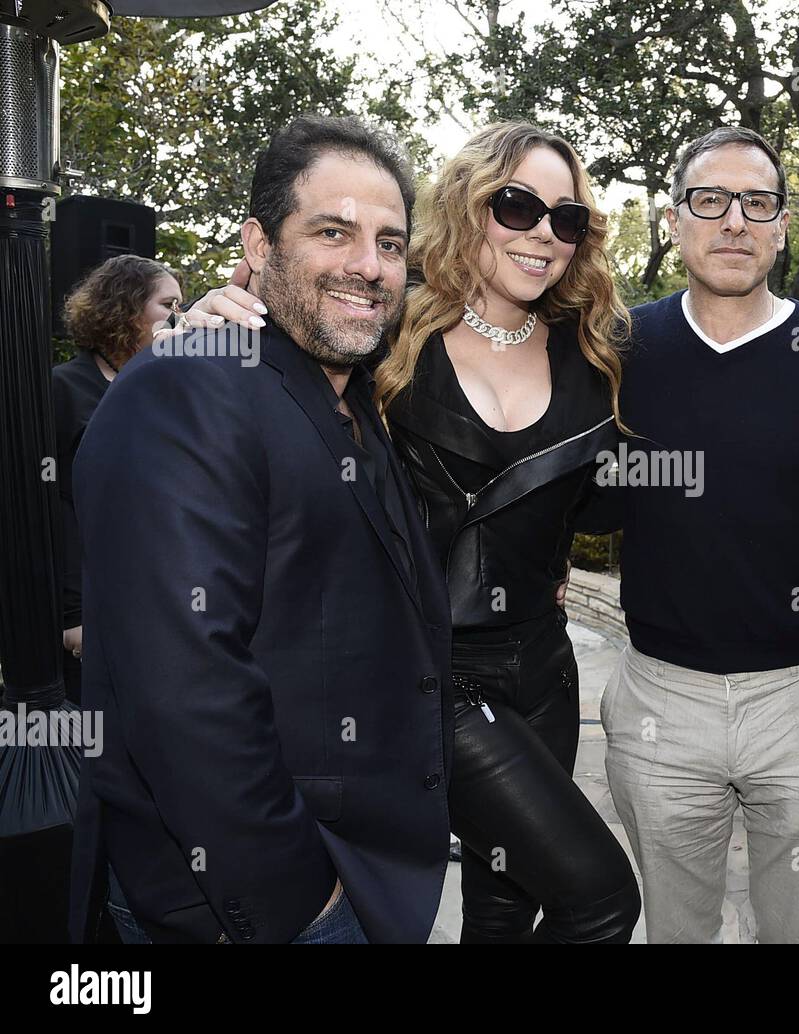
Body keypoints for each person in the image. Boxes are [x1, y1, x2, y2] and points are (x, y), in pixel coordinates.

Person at [191, 121, 642, 944]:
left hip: (543, 666)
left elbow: (593, 508)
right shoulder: (381, 327)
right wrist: (212, 314)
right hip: (431, 671)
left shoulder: (595, 352)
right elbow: (262, 405)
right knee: (602, 898)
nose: (545, 233)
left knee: (508, 904)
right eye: (518, 205)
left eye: (568, 218)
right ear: (470, 207)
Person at [69, 115, 455, 944]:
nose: (368, 265)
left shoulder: (345, 396)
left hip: (357, 871)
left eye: (390, 244)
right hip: (251, 903)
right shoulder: (185, 386)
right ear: (257, 243)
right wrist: (297, 901)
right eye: (332, 231)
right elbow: (183, 690)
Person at [598, 127, 799, 943]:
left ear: (783, 224)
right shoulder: (616, 350)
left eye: (757, 203)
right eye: (709, 200)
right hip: (660, 697)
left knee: (796, 927)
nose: (733, 222)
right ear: (674, 220)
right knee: (677, 930)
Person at [52, 255, 182, 702]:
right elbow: (53, 508)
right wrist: (72, 613)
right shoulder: (63, 389)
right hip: (89, 608)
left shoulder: (167, 390)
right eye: (169, 304)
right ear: (126, 309)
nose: (180, 317)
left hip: (157, 603)